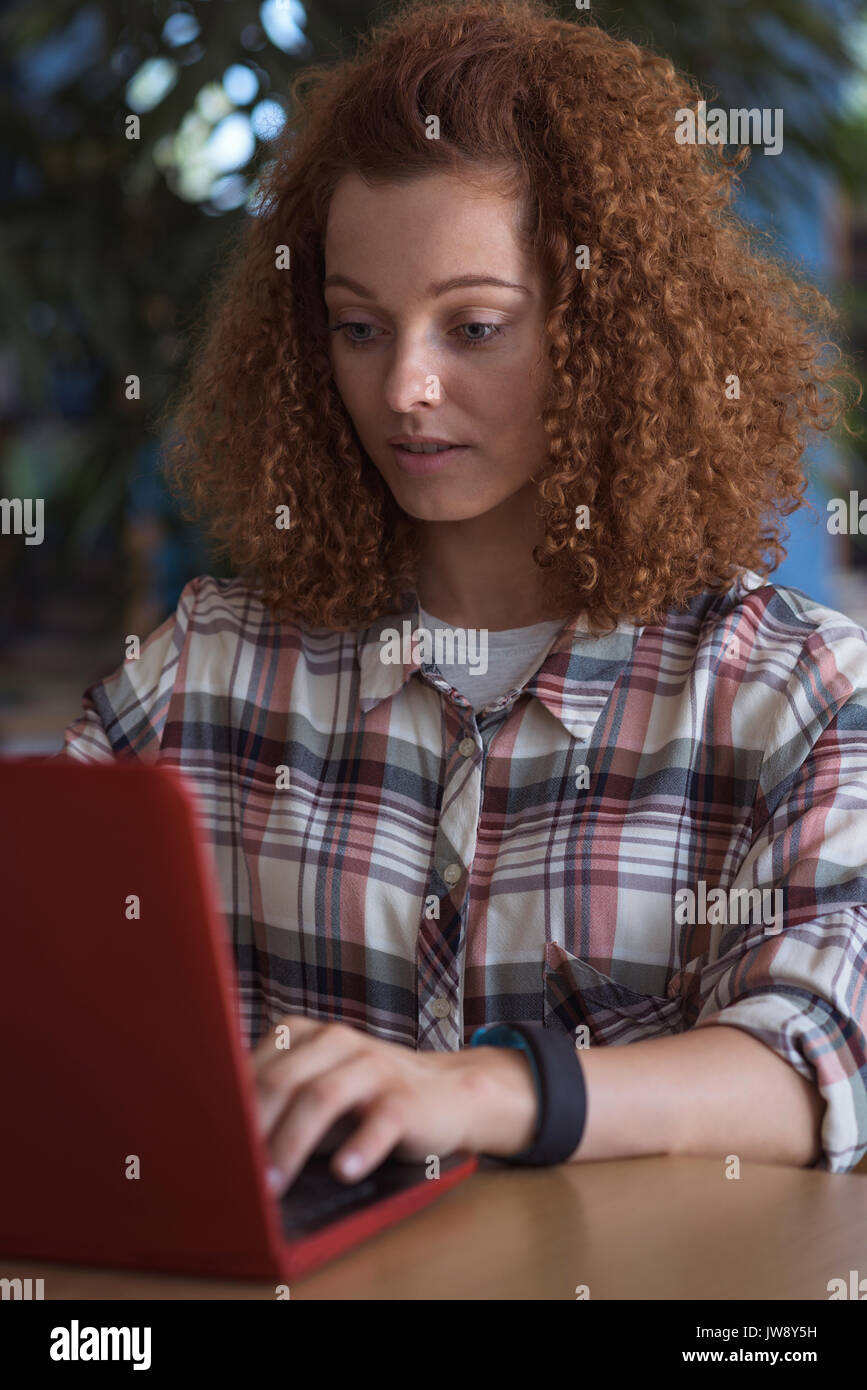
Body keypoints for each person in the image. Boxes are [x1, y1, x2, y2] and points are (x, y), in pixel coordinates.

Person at [57, 0, 867, 1185]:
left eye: (474, 325)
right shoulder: (202, 674)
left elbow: (829, 1053)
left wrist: (492, 1087)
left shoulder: (788, 694)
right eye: (357, 327)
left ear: (609, 329)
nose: (405, 388)